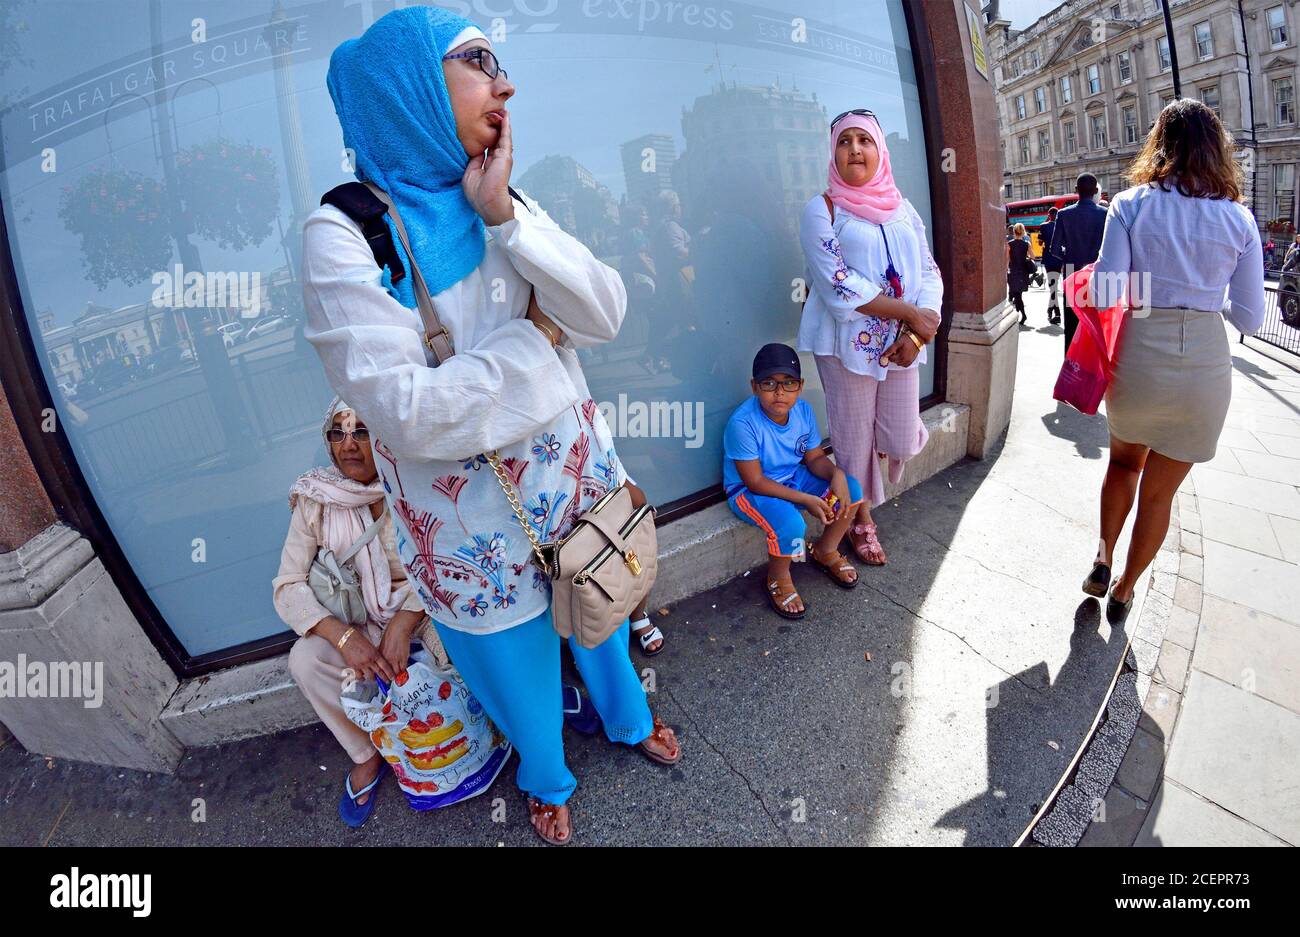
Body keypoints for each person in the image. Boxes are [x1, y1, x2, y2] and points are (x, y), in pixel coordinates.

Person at [302, 7, 679, 846]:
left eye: (500, 64)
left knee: (605, 616)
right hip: (466, 526)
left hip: (573, 486)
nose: (506, 82)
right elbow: (407, 413)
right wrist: (542, 338)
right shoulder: (343, 234)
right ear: (408, 88)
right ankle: (546, 774)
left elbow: (604, 310)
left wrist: (506, 215)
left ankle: (624, 717)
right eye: (478, 61)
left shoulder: (495, 190)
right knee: (514, 671)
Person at [1085, 98, 1265, 624]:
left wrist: (1150, 286)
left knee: (1122, 464)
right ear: (1217, 152)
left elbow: (1107, 289)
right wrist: (1203, 293)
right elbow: (1253, 318)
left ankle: (1102, 556)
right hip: (1204, 367)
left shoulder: (1130, 204)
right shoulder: (1240, 220)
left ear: (1159, 144)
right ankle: (1124, 590)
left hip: (1140, 354)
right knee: (1160, 495)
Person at [273, 397, 439, 827]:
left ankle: (490, 721)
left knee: (465, 641)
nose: (349, 444)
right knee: (306, 660)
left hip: (425, 607)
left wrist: (404, 623)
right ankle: (368, 753)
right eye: (338, 433)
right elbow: (287, 584)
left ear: (384, 436)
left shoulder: (415, 482)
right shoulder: (316, 498)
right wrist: (345, 638)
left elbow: (445, 558)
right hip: (357, 623)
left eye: (362, 431)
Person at [796, 108, 943, 565]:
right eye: (844, 142)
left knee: (899, 438)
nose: (855, 149)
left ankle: (868, 477)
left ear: (880, 150)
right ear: (833, 153)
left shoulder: (904, 208)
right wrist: (910, 314)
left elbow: (929, 271)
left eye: (864, 140)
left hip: (900, 346)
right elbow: (837, 282)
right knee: (854, 443)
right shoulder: (821, 209)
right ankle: (860, 521)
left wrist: (919, 334)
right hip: (846, 347)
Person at [724, 343, 865, 619]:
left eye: (788, 383)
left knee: (853, 490)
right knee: (791, 523)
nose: (779, 392)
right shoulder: (742, 423)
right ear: (754, 387)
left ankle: (826, 551)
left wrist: (836, 473)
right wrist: (805, 499)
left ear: (800, 386)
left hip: (792, 476)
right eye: (769, 383)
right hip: (749, 490)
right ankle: (778, 577)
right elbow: (754, 482)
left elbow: (813, 459)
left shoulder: (803, 410)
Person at [1047, 174, 1107, 353]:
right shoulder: (1105, 214)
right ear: (1096, 191)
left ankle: (1071, 364)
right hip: (1098, 274)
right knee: (1097, 323)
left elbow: (1055, 249)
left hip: (1073, 273)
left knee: (1072, 325)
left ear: (1076, 191)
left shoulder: (1064, 214)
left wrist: (1070, 256)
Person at [1038, 206, 1064, 322]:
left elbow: (1040, 242)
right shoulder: (1062, 225)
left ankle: (1056, 313)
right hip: (1059, 258)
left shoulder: (1043, 226)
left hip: (1048, 258)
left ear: (1049, 215)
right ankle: (1051, 310)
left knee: (1052, 287)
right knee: (1054, 286)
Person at [1007, 222, 1033, 325]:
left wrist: (1006, 270)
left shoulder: (1009, 244)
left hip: (1013, 271)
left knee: (1016, 295)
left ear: (1014, 232)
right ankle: (1019, 313)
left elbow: (1007, 259)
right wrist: (1026, 256)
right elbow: (1033, 256)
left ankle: (1022, 314)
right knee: (1018, 295)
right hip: (1023, 272)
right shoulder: (1027, 244)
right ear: (1023, 232)